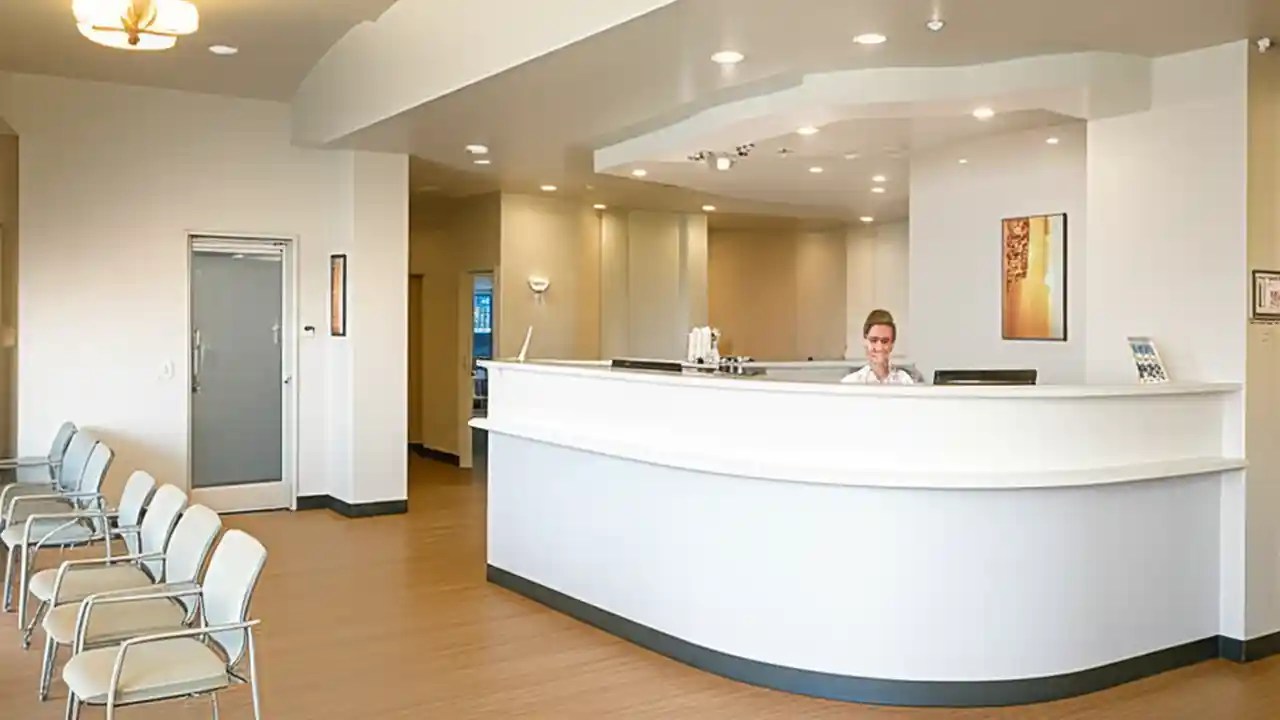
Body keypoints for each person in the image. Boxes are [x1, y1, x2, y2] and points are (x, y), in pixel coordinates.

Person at [840, 309, 915, 385]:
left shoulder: (905, 381)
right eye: (873, 340)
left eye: (885, 341)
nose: (879, 348)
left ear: (892, 344)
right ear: (865, 341)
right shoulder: (850, 383)